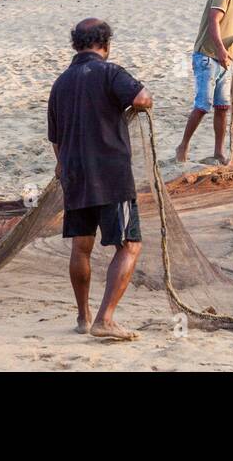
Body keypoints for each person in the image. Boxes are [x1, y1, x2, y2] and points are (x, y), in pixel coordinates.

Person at [47, 18, 153, 341]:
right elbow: (141, 98)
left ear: (75, 45)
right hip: (111, 176)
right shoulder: (110, 72)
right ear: (105, 44)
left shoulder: (60, 84)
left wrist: (65, 165)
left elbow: (55, 139)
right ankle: (105, 319)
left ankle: (83, 317)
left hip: (74, 174)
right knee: (130, 245)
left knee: (81, 247)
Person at [176, 0, 233, 165]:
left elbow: (225, 27)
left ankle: (218, 152)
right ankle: (183, 145)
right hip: (208, 57)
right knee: (203, 105)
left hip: (223, 60)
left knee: (222, 106)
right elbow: (213, 21)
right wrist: (220, 50)